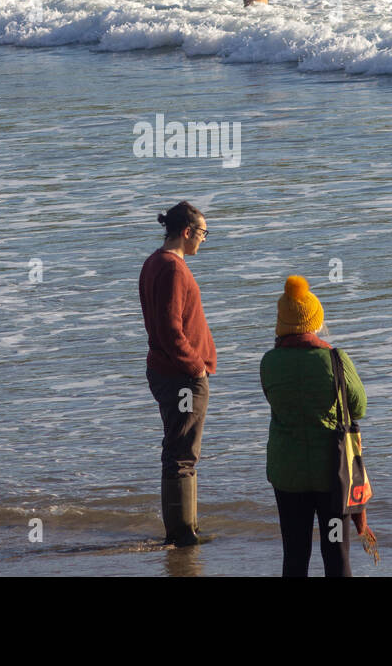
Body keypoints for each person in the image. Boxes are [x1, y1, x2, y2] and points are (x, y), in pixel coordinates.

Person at [260, 275, 366, 577]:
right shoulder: (334, 359)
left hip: (287, 474)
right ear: (314, 322)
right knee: (336, 554)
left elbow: (274, 400)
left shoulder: (269, 362)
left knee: (294, 555)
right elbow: (359, 407)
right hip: (332, 475)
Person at [139, 201, 216, 547]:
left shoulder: (153, 262)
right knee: (182, 455)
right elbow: (171, 332)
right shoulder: (172, 269)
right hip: (180, 376)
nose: (202, 240)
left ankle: (185, 529)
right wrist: (196, 366)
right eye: (201, 233)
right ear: (186, 232)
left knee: (177, 451)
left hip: (166, 370)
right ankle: (183, 534)